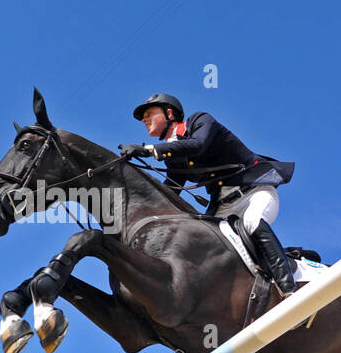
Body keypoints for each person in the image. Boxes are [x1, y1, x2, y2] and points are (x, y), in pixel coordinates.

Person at [121, 94, 299, 296]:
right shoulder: (174, 158)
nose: (144, 120)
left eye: (149, 114)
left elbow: (198, 144)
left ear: (169, 113)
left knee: (251, 222)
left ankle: (289, 289)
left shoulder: (200, 120)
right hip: (222, 208)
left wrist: (149, 150)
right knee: (204, 246)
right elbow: (171, 190)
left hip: (253, 193)